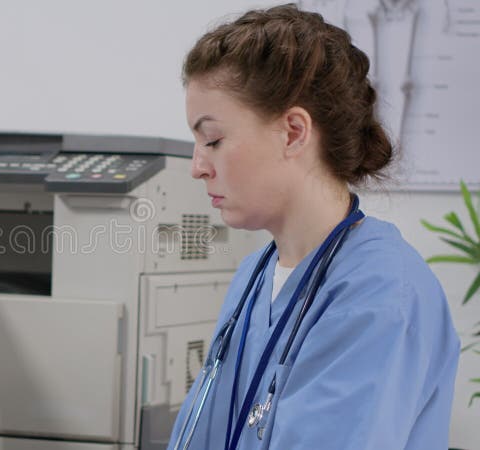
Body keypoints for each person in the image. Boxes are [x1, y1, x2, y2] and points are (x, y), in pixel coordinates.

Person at [168, 4, 459, 450]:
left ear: (293, 132)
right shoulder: (253, 277)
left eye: (213, 140)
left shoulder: (382, 294)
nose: (197, 167)